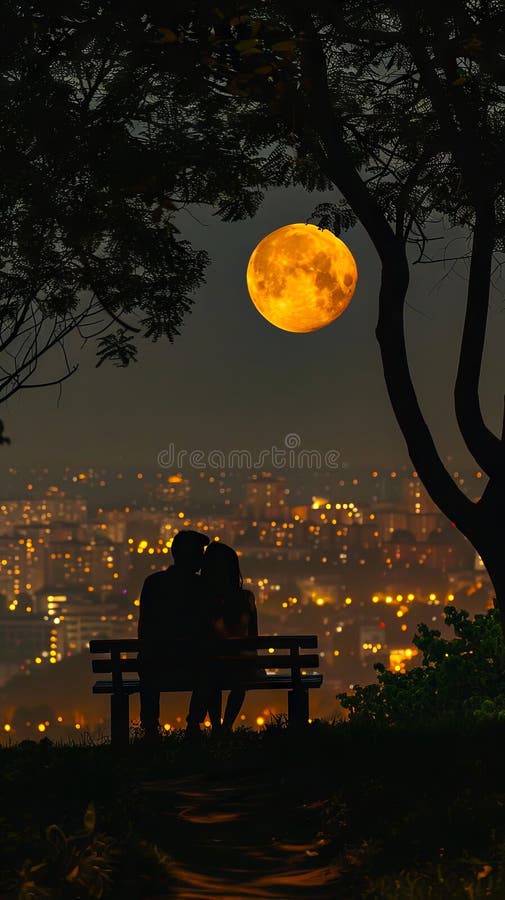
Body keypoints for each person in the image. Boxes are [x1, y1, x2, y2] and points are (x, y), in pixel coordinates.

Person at [137, 529, 210, 740]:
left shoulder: (153, 583)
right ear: (192, 556)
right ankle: (194, 724)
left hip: (156, 663)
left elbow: (145, 627)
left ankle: (150, 727)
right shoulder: (201, 587)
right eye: (200, 553)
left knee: (148, 663)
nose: (202, 558)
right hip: (192, 664)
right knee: (209, 665)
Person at [200, 541, 259, 732]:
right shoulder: (246, 598)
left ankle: (216, 725)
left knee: (210, 672)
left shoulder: (203, 599)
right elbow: (254, 636)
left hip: (212, 665)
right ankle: (227, 726)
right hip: (241, 666)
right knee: (237, 675)